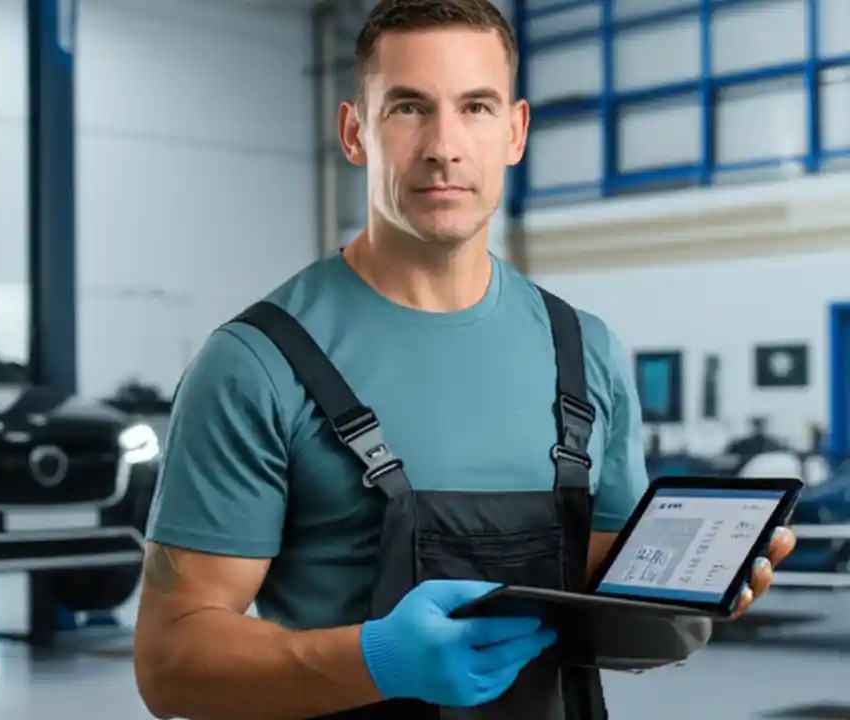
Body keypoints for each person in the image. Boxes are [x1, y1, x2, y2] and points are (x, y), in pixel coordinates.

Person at [131, 1, 797, 719]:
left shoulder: (585, 350)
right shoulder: (255, 364)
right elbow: (171, 663)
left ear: (515, 131)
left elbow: (611, 623)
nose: (444, 145)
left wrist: (686, 604)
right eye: (409, 107)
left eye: (475, 107)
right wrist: (376, 661)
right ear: (356, 132)